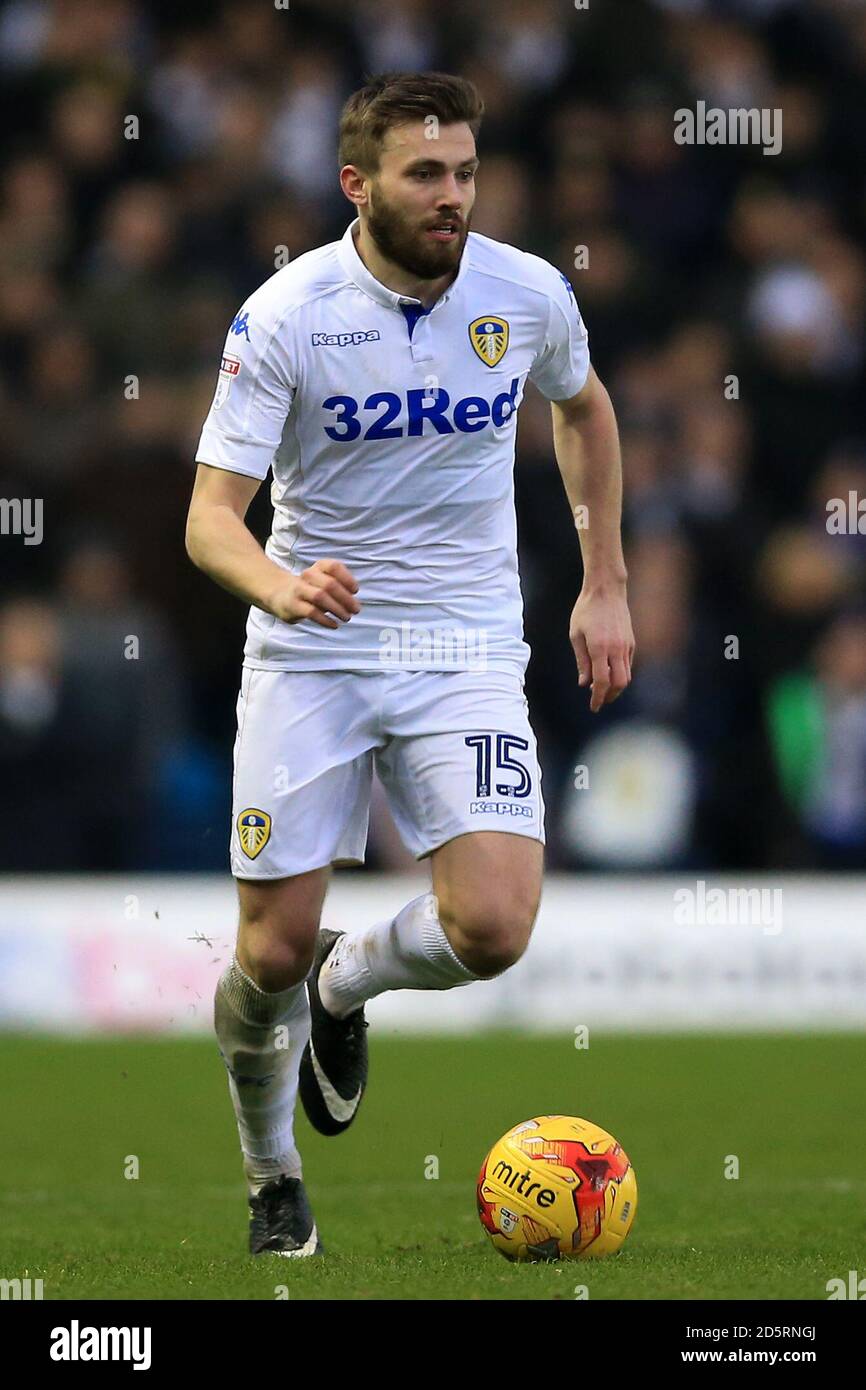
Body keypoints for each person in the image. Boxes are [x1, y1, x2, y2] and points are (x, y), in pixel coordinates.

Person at [185, 71, 634, 1257]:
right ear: (358, 184)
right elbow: (209, 518)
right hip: (312, 645)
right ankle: (270, 1172)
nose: (452, 197)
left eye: (466, 172)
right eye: (424, 175)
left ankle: (348, 987)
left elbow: (582, 410)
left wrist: (605, 582)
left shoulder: (523, 292)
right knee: (267, 949)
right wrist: (281, 583)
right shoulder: (283, 315)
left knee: (492, 925)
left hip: (466, 641)